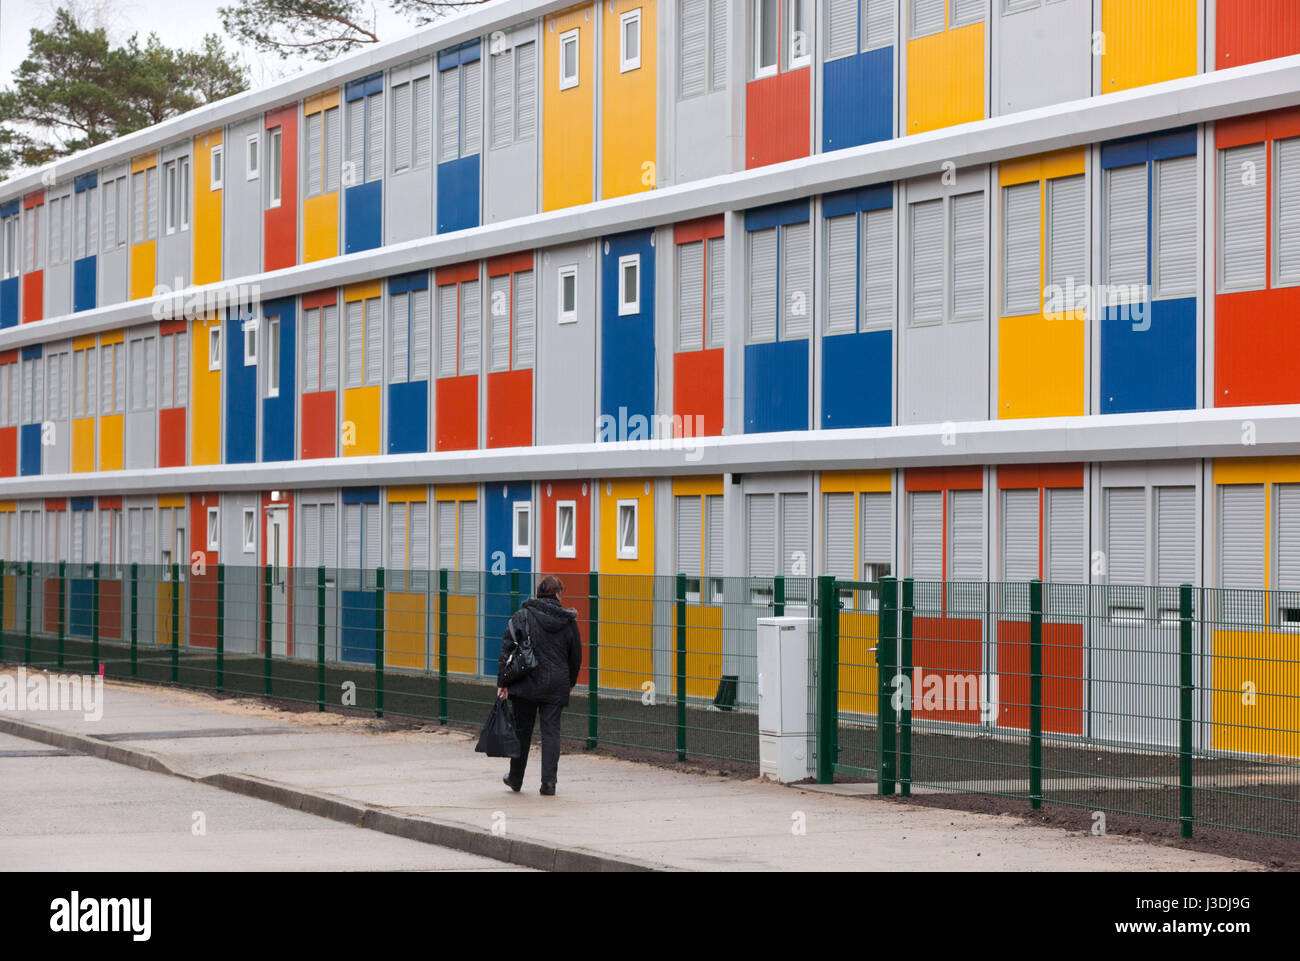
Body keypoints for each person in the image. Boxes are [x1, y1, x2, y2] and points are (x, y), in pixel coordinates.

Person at [498, 574, 583, 796]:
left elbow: (506, 648)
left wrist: (502, 681)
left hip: (525, 683)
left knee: (522, 731)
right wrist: (570, 682)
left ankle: (515, 778)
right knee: (551, 732)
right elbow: (576, 656)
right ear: (557, 594)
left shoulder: (522, 616)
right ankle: (549, 783)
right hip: (556, 683)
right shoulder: (567, 621)